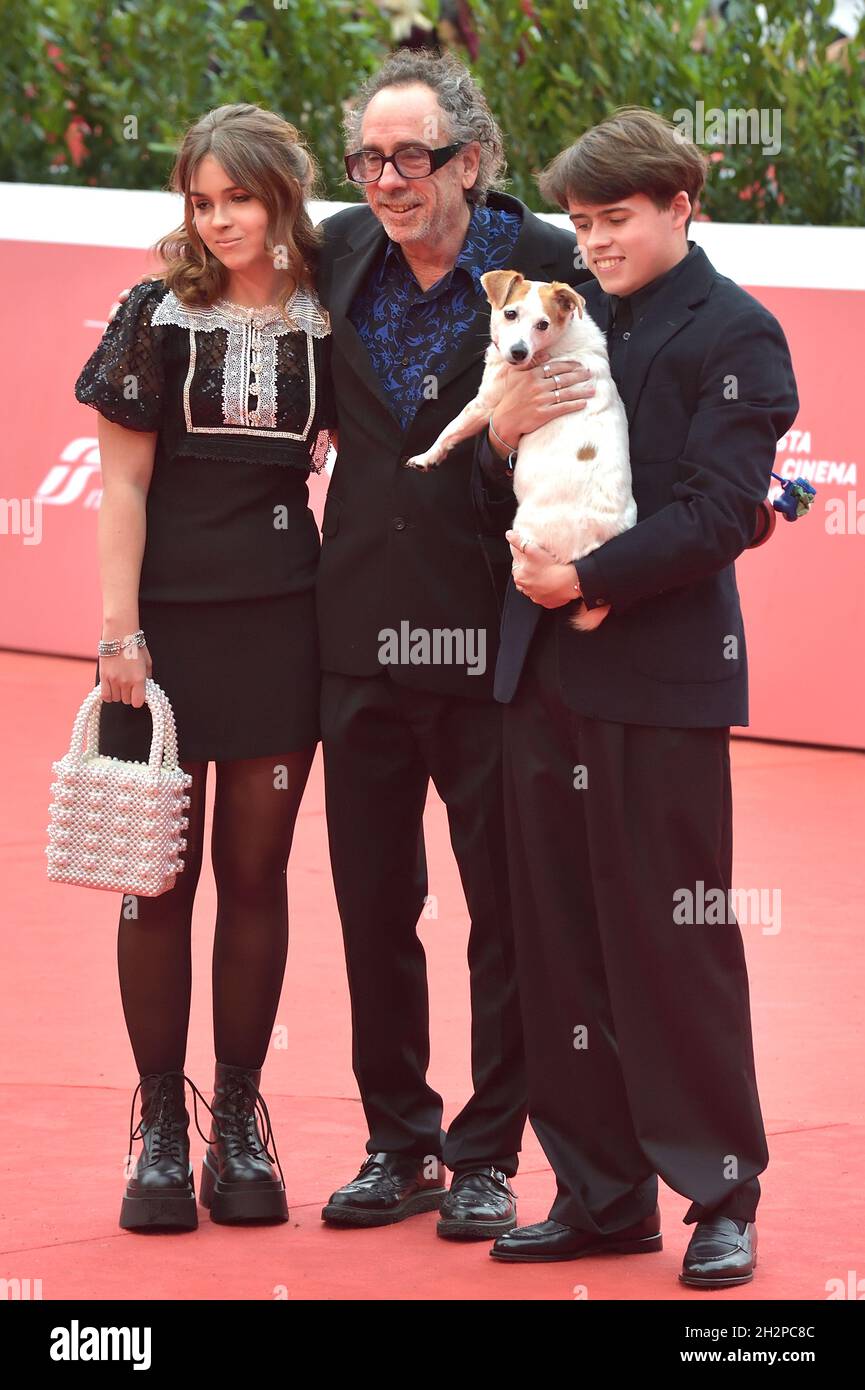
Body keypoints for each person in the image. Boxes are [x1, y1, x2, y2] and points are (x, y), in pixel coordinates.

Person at [473, 107, 799, 1286]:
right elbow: (498, 456)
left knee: (676, 941)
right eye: (582, 222)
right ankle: (600, 1191)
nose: (595, 242)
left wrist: (590, 580)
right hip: (539, 667)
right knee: (556, 942)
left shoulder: (741, 334)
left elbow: (722, 509)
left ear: (682, 204)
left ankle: (719, 1193)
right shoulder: (560, 311)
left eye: (616, 220)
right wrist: (500, 440)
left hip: (658, 680)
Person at [313, 49, 595, 1239]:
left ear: (469, 161)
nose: (386, 179)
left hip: (492, 638)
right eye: (369, 158)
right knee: (373, 903)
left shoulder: (555, 275)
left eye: (411, 157)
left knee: (505, 909)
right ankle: (400, 1144)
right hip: (353, 633)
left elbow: (599, 436)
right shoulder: (334, 252)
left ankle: (487, 1156)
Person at [75, 103, 335, 1231]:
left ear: (282, 197)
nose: (220, 219)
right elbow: (123, 487)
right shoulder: (155, 315)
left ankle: (237, 1121)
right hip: (164, 639)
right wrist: (118, 633)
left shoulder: (335, 312)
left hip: (288, 624)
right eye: (202, 199)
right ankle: (159, 1136)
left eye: (239, 197)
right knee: (155, 879)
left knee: (257, 877)